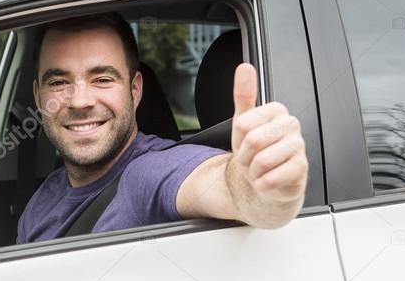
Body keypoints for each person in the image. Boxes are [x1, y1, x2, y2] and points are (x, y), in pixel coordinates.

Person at [16, 13, 308, 244]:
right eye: (58, 83)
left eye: (102, 79)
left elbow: (230, 189)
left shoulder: (149, 176)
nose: (80, 101)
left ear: (135, 90)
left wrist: (262, 187)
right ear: (38, 96)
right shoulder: (41, 202)